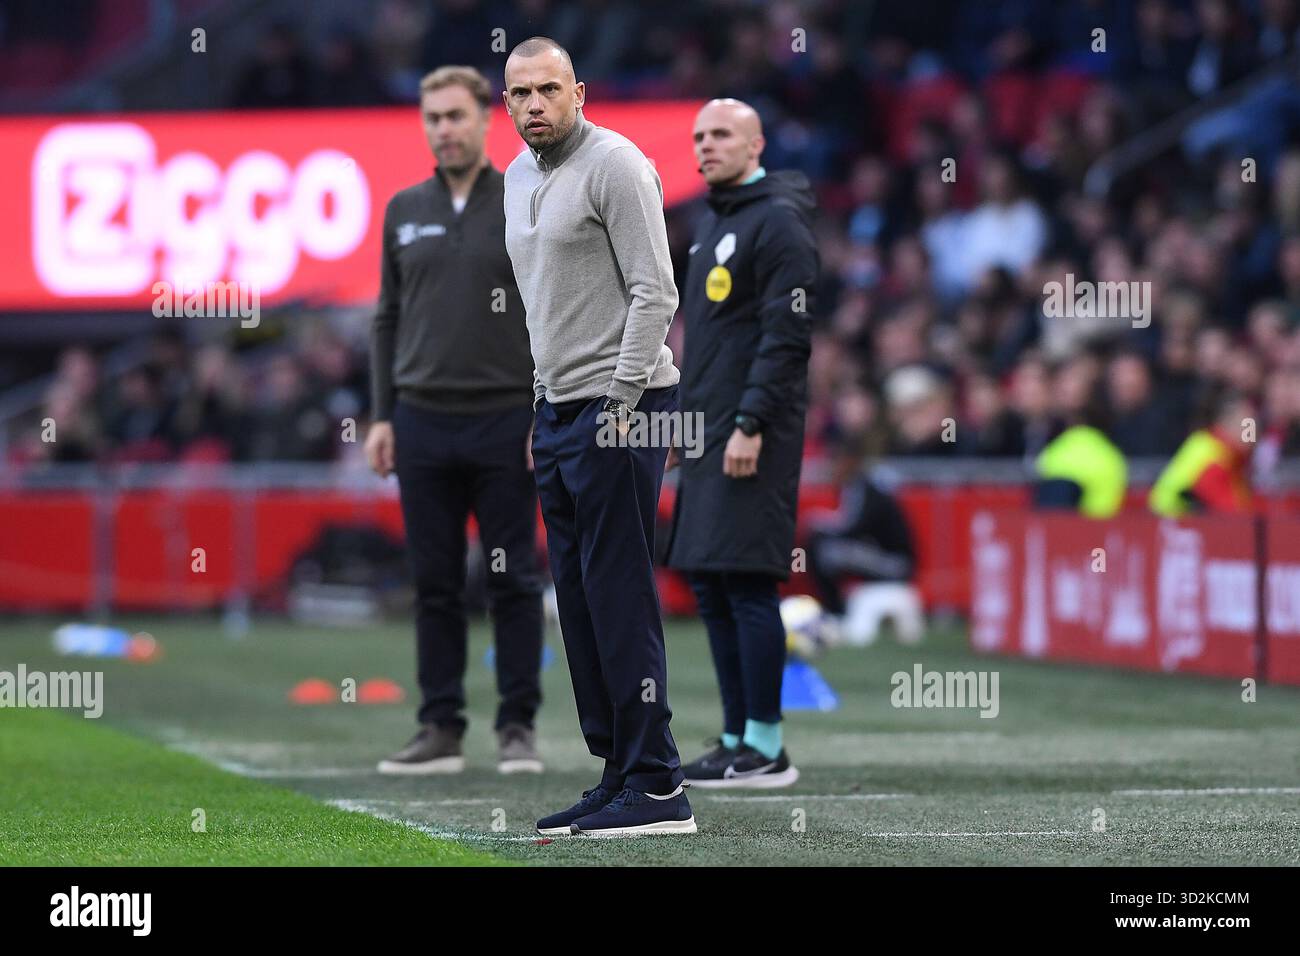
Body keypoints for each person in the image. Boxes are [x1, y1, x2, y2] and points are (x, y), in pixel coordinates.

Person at [501, 37, 695, 836]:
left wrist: (616, 402)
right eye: (520, 94)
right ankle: (618, 769)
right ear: (505, 103)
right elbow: (544, 309)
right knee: (577, 600)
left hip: (624, 407)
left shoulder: (616, 164)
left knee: (619, 593)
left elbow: (656, 292)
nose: (535, 105)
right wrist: (539, 406)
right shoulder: (516, 178)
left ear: (578, 92)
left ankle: (657, 785)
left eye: (549, 90)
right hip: (559, 412)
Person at [367, 66, 544, 776]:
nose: (444, 128)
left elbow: (551, 307)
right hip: (422, 423)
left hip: (508, 419)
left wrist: (545, 407)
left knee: (514, 581)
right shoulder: (403, 208)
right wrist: (381, 416)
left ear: (486, 118)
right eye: (433, 117)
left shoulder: (526, 199)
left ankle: (517, 728)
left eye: (456, 115)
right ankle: (440, 725)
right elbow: (386, 317)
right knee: (434, 583)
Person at [665, 98, 817, 788]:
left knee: (749, 581)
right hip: (706, 431)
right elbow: (708, 346)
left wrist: (751, 423)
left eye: (721, 134)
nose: (705, 145)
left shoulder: (778, 224)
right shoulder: (707, 225)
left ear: (755, 144)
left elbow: (786, 340)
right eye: (698, 136)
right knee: (711, 579)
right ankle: (734, 735)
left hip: (751, 433)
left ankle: (767, 745)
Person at [1149, 390, 1256, 516]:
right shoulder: (1212, 451)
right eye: (1247, 426)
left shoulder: (1230, 454)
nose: (1252, 434)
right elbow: (1231, 510)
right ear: (1226, 424)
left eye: (1254, 426)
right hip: (1175, 521)